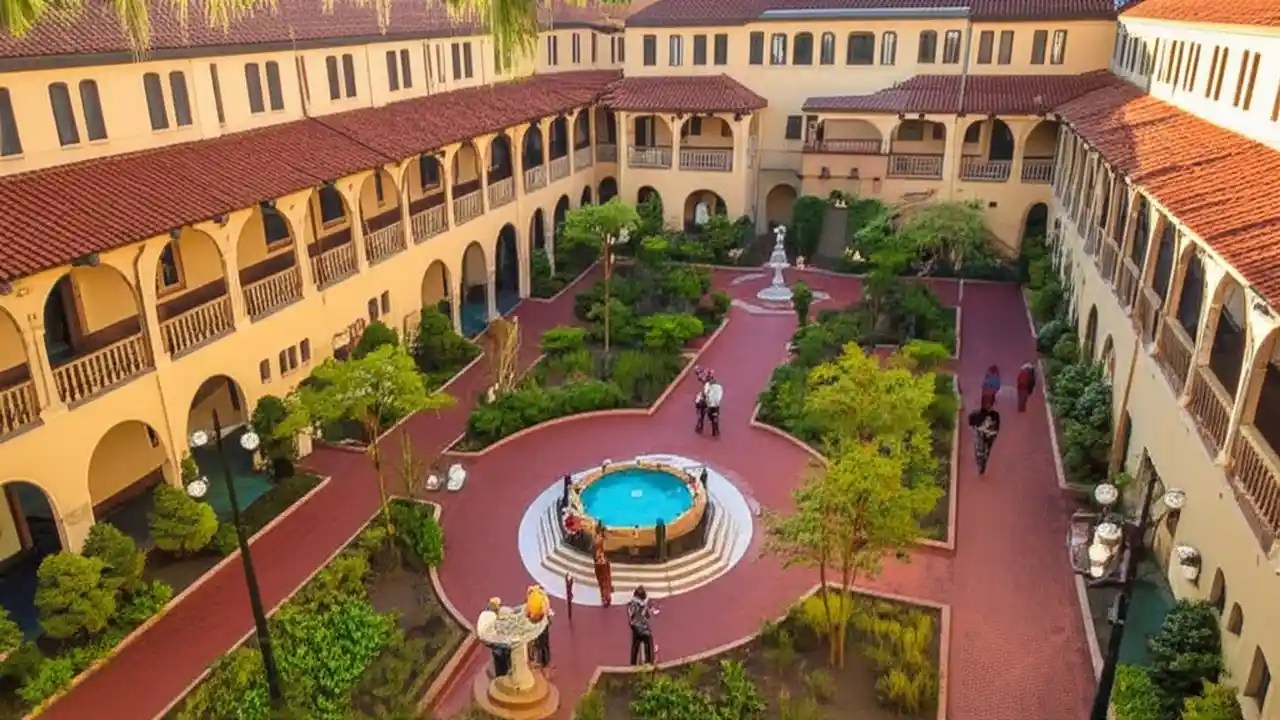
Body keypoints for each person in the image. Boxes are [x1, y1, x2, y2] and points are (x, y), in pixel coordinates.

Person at [476, 598, 511, 677]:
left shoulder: (483, 613)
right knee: (506, 646)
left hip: (483, 637)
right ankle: (504, 672)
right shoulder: (493, 616)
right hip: (489, 638)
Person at [627, 586, 657, 665]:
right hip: (643, 629)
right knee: (649, 640)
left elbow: (630, 615)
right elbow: (647, 616)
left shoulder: (630, 604)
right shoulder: (643, 605)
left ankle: (633, 663)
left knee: (635, 645)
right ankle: (649, 661)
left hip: (634, 627)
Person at [968, 407, 1002, 475]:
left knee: (987, 449)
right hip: (980, 432)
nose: (988, 422)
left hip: (990, 435)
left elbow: (994, 433)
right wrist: (980, 429)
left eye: (990, 421)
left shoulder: (995, 420)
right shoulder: (977, 418)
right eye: (987, 421)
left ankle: (983, 461)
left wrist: (987, 431)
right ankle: (979, 461)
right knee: (979, 447)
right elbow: (973, 426)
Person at [593, 525, 614, 607]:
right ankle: (605, 597)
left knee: (603, 580)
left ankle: (605, 597)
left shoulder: (598, 539)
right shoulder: (598, 540)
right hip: (601, 562)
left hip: (600, 562)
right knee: (604, 580)